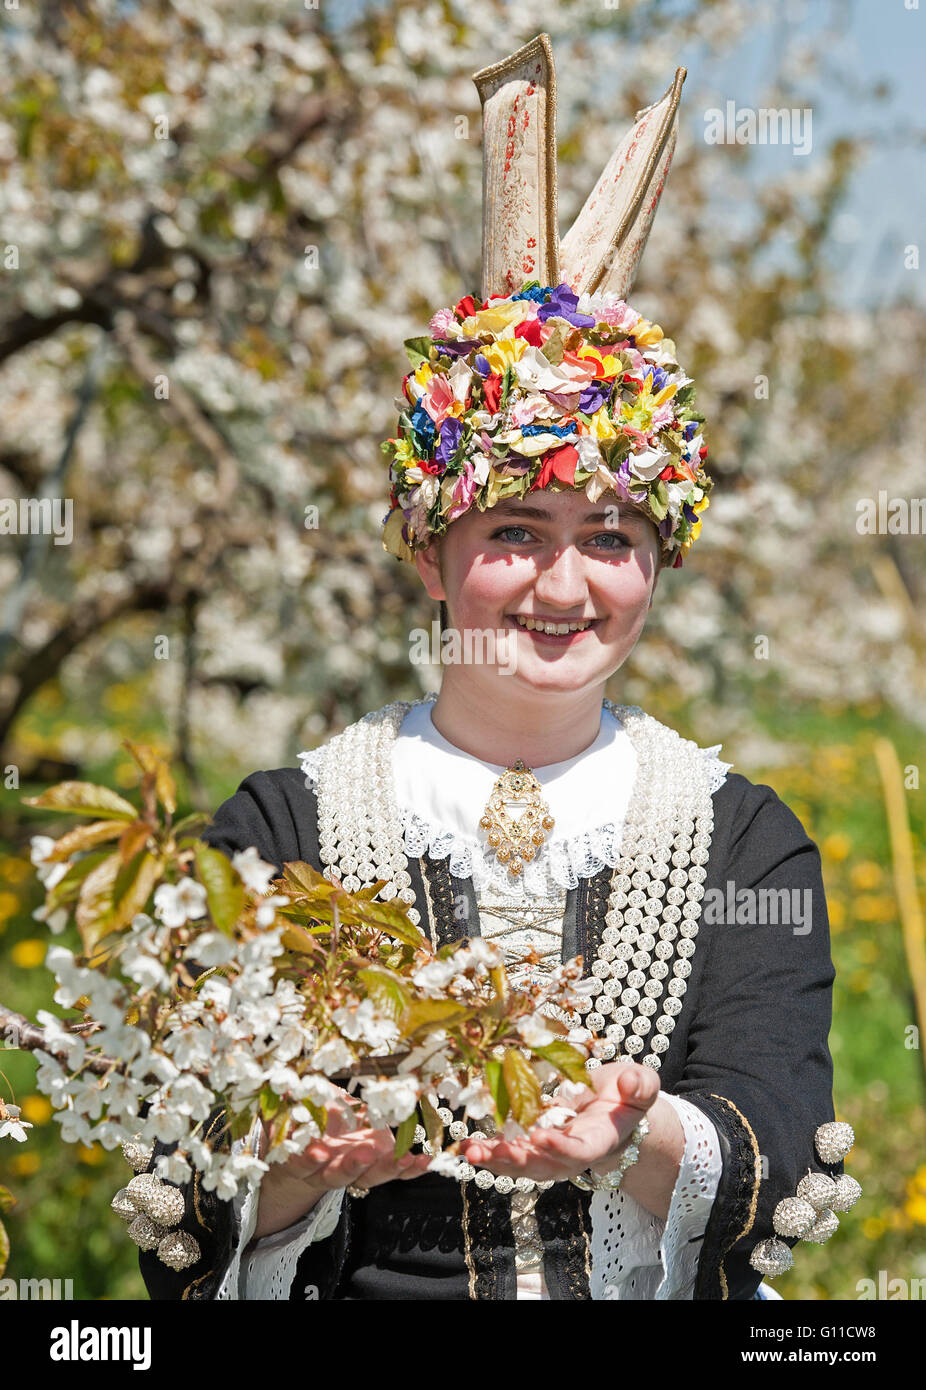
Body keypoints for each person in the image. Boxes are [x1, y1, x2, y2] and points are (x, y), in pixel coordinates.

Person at [134, 34, 858, 1302]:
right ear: (429, 549)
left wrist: (633, 1132)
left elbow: (778, 1137)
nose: (565, 587)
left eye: (612, 539)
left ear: (659, 559)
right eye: (513, 531)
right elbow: (173, 1159)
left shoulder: (739, 840)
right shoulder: (281, 827)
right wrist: (301, 1162)